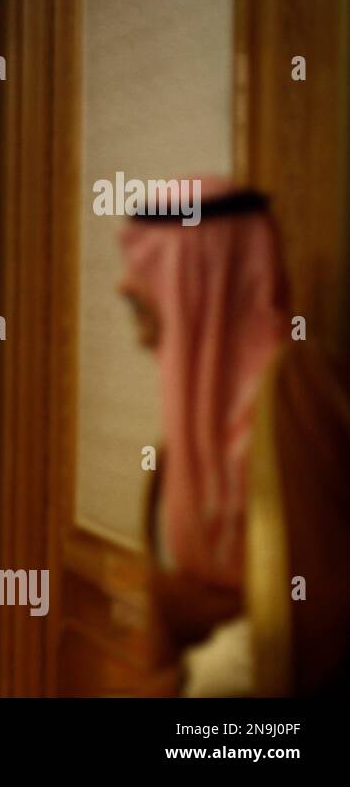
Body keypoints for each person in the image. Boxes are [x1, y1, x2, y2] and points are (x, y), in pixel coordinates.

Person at [118, 180, 350, 696]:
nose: (126, 286)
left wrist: (200, 679)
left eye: (150, 273)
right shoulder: (190, 424)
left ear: (202, 278)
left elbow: (319, 611)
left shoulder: (295, 393)